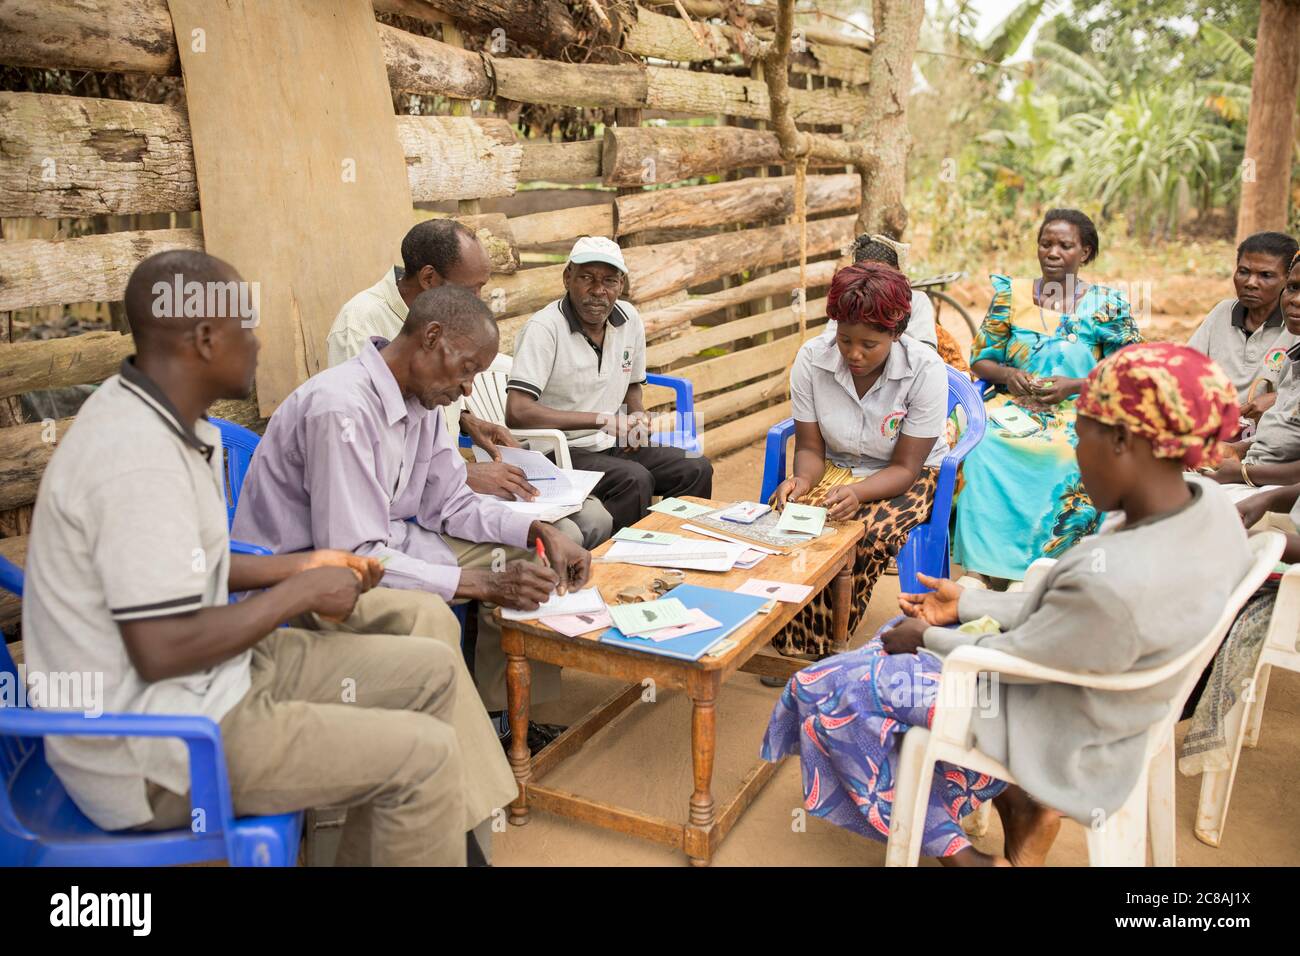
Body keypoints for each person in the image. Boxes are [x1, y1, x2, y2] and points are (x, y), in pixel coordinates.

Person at [23, 251, 511, 865]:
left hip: (212, 679)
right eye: (245, 329)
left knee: (432, 670)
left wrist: (303, 567)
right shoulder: (133, 456)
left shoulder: (175, 425)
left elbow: (197, 564)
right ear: (204, 338)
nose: (258, 346)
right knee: (424, 756)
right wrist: (301, 593)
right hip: (155, 744)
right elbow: (161, 646)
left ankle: (422, 846)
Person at [764, 342, 1250, 865]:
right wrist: (969, 604)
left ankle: (966, 856)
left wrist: (928, 638)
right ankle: (1016, 803)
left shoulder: (1113, 579)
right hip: (1114, 702)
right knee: (871, 657)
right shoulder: (1211, 509)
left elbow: (1021, 660)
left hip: (1054, 720)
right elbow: (1071, 624)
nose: (1075, 456)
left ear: (1123, 441)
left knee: (821, 691)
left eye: (1079, 436)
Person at [233, 285, 591, 755]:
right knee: (437, 615)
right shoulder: (342, 409)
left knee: (542, 548)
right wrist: (481, 582)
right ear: (431, 337)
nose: (467, 390)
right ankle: (454, 759)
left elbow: (450, 503)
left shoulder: (420, 402)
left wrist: (537, 529)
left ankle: (505, 718)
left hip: (393, 544)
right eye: (466, 371)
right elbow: (353, 556)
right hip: (307, 582)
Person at [325, 218, 612, 549]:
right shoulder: (359, 326)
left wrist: (466, 419)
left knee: (592, 518)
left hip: (446, 472)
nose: (479, 300)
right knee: (562, 535)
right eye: (470, 289)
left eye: (483, 287)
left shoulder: (446, 320)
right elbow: (375, 459)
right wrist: (462, 476)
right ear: (429, 278)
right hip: (408, 507)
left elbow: (422, 403)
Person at [952, 208, 1141, 584]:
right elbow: (982, 361)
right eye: (1046, 243)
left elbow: (1131, 371)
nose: (1052, 252)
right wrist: (1011, 374)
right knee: (982, 444)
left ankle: (1046, 571)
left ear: (1084, 253)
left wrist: (1074, 386)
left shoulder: (1107, 305)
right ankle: (985, 568)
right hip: (1014, 406)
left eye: (1065, 245)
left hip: (1081, 411)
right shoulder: (1010, 295)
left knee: (1065, 452)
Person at [770, 262, 947, 660]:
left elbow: (905, 468)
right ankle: (791, 638)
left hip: (910, 474)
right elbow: (812, 449)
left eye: (870, 345)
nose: (853, 353)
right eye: (845, 339)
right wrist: (801, 482)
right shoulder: (813, 360)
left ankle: (828, 644)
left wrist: (856, 492)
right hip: (838, 465)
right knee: (794, 522)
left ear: (896, 333)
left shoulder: (925, 370)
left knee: (863, 534)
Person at [505, 236, 714, 532]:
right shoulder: (544, 328)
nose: (598, 290)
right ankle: (614, 565)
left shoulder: (629, 319)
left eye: (609, 280)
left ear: (621, 284)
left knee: (694, 467)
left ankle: (676, 552)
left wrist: (637, 415)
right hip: (556, 451)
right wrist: (601, 420)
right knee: (634, 479)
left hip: (610, 443)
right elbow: (517, 411)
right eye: (587, 278)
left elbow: (632, 386)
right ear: (567, 278)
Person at [1202, 251, 1300, 502]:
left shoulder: (1288, 337)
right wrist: (1237, 450)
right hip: (1252, 470)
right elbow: (1283, 432)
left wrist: (1243, 473)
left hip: (1267, 487)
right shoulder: (1295, 357)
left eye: (1266, 275)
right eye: (1293, 287)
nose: (1295, 300)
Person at [1186, 231, 1298, 420]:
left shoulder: (1295, 324)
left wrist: (1279, 399)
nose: (1251, 283)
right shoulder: (1222, 312)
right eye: (1243, 272)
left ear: (1288, 281)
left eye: (1266, 275)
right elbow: (1186, 368)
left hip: (1269, 435)